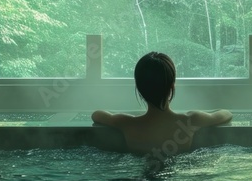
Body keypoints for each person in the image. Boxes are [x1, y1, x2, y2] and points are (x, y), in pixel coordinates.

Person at [91, 52, 232, 158]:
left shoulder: (127, 123)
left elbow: (97, 115)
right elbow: (225, 114)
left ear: (139, 88)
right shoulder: (190, 121)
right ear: (172, 86)